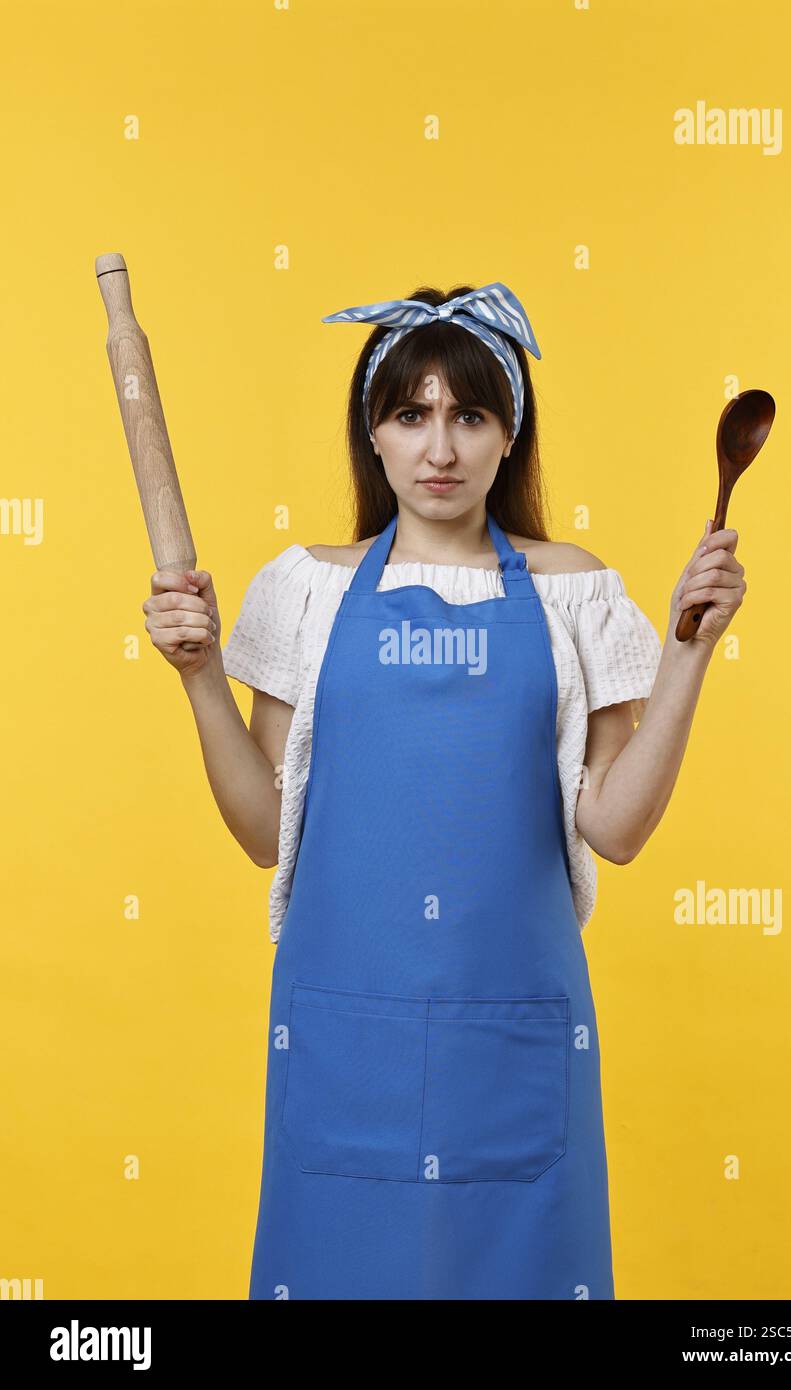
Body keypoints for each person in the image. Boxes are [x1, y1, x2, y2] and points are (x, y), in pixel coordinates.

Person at [142, 282, 746, 1300]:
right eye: (411, 413)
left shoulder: (571, 589)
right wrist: (199, 674)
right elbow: (261, 831)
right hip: (345, 1048)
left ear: (509, 435)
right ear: (371, 433)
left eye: (469, 415)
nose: (440, 448)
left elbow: (618, 825)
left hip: (509, 1053)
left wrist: (691, 652)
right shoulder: (307, 589)